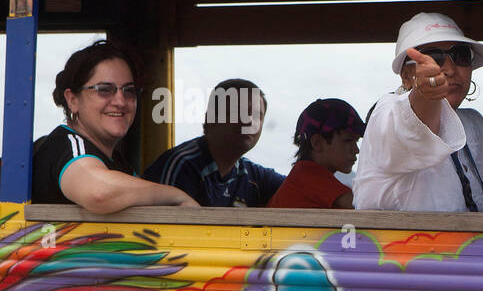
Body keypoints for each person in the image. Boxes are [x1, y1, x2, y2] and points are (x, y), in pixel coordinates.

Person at [351, 13, 483, 212]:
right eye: (434, 57)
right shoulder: (386, 112)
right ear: (406, 76)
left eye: (461, 55)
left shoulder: (474, 123)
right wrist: (426, 93)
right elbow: (413, 127)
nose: (450, 69)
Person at [31, 40, 198, 212]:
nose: (120, 101)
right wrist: (177, 196)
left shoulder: (117, 162)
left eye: (129, 91)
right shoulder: (67, 146)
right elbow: (99, 192)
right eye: (104, 89)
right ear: (72, 100)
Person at [144, 79, 283, 207]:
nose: (249, 122)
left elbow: (300, 187)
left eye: (257, 116)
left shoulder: (252, 175)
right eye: (238, 112)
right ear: (211, 118)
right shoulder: (183, 165)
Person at [268, 99, 365, 209]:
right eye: (348, 140)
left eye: (356, 141)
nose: (357, 150)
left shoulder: (303, 175)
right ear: (317, 143)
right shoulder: (307, 175)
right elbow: (359, 206)